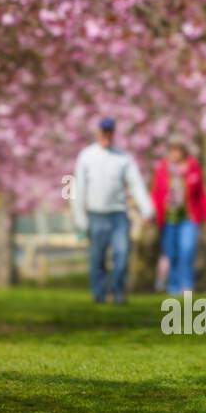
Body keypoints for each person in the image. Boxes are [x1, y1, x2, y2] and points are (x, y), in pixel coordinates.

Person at [70, 116, 154, 304]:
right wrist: (80, 218)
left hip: (118, 214)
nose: (106, 135)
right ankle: (99, 294)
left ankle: (118, 293)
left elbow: (136, 184)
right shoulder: (86, 156)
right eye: (103, 131)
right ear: (97, 133)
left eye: (109, 132)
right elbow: (79, 188)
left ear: (113, 133)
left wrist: (147, 209)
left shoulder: (123, 158)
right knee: (98, 257)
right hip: (96, 214)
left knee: (122, 254)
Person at [151, 135, 206, 295]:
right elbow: (156, 193)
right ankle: (173, 287)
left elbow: (201, 194)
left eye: (178, 149)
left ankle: (187, 286)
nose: (176, 152)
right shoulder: (163, 168)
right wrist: (151, 213)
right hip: (168, 218)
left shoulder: (193, 167)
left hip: (189, 217)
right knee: (172, 253)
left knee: (187, 250)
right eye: (173, 149)